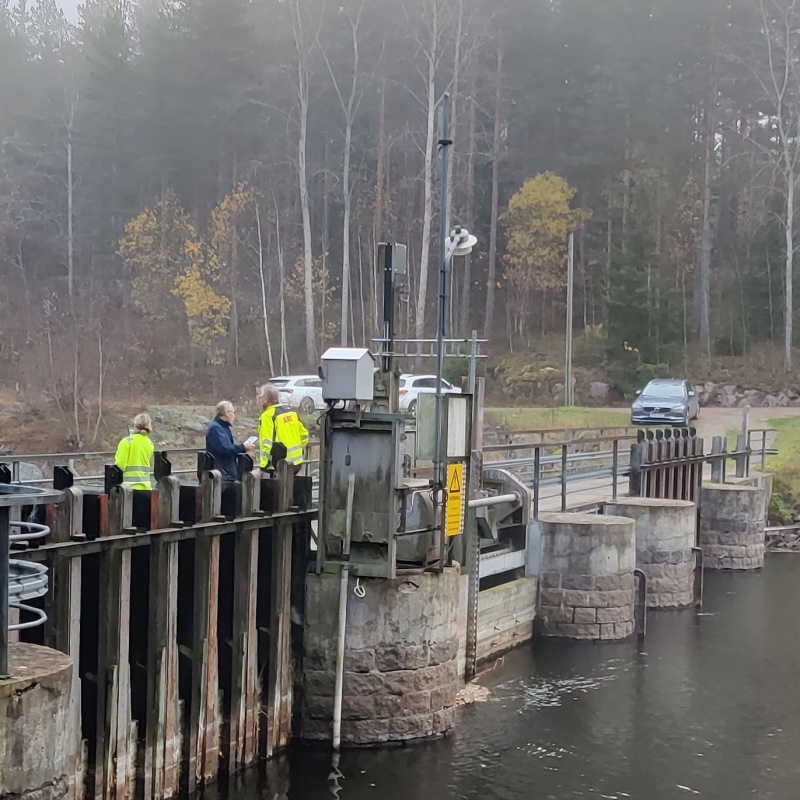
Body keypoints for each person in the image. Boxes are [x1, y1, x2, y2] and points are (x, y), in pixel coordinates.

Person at [258, 383, 309, 474]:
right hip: (297, 463)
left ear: (265, 399)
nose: (259, 399)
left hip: (277, 466)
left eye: (260, 397)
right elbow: (304, 434)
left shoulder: (268, 416)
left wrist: (264, 466)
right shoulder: (291, 413)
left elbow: (267, 443)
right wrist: (298, 450)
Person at [205, 400, 256, 482]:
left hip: (225, 473)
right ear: (227, 413)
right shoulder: (216, 428)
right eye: (233, 412)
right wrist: (243, 447)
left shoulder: (222, 428)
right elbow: (224, 449)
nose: (234, 416)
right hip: (222, 475)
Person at [115, 412, 155, 490]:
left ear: (135, 425)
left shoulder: (126, 442)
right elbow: (151, 465)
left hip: (128, 488)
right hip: (146, 488)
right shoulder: (150, 443)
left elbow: (120, 465)